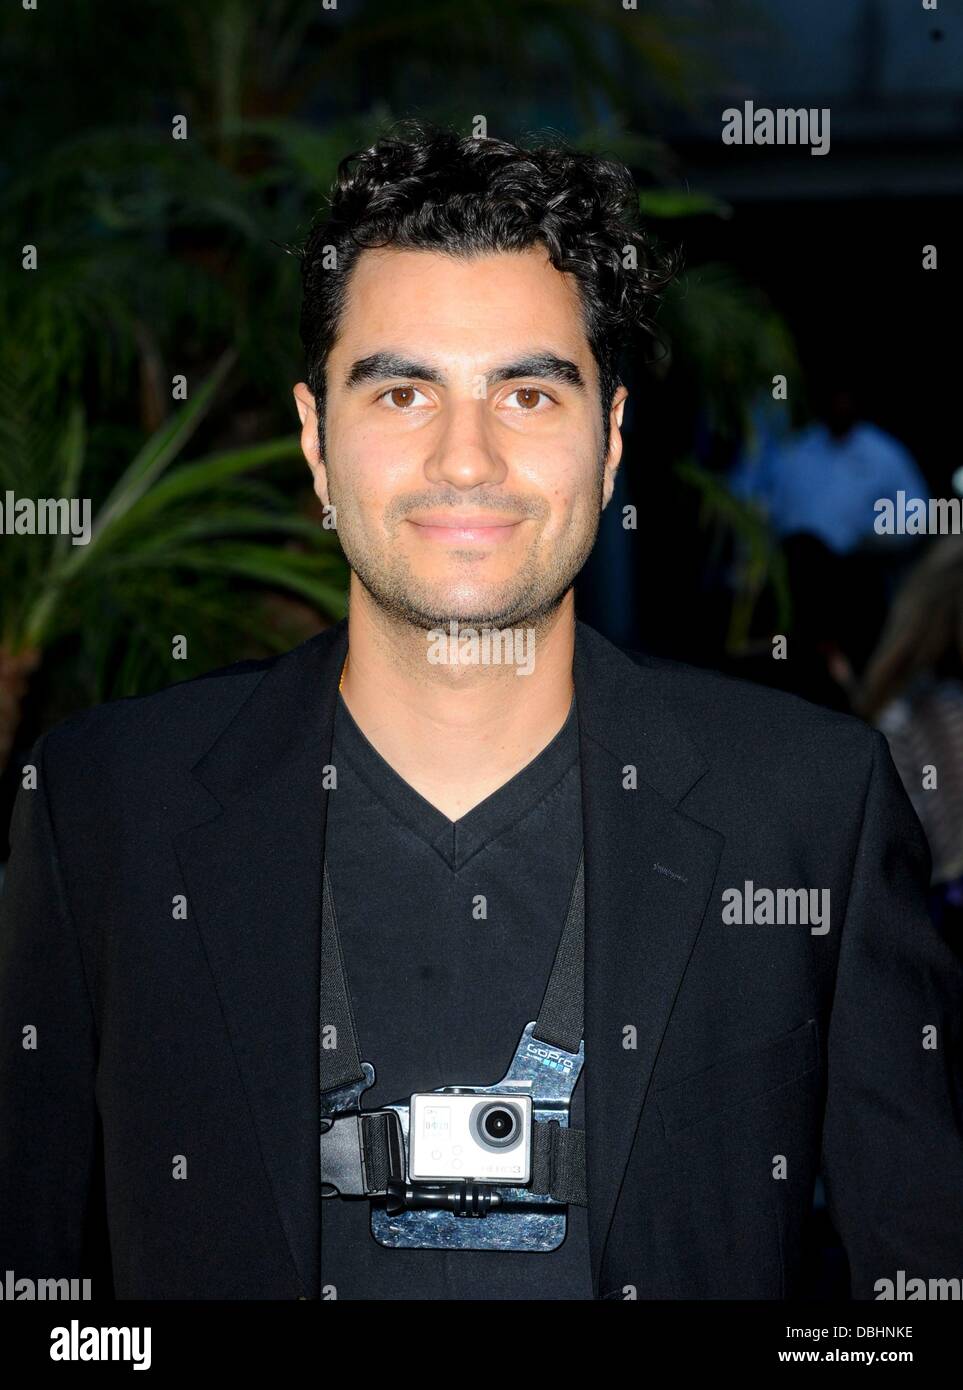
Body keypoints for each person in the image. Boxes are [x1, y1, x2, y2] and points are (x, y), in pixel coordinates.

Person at [1, 122, 961, 1302]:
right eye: (403, 391)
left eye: (528, 393)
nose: (466, 457)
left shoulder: (810, 805)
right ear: (315, 438)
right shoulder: (106, 808)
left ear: (610, 443)